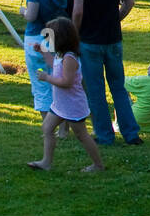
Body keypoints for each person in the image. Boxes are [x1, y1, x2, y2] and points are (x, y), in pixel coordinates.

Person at [69, 0, 141, 147]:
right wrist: (116, 19)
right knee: (118, 87)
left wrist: (74, 34)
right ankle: (131, 133)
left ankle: (105, 135)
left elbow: (78, 11)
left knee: (96, 90)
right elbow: (130, 1)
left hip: (90, 40)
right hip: (113, 38)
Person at [28, 16, 105, 172]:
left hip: (73, 105)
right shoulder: (60, 55)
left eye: (50, 38)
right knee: (47, 128)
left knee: (81, 135)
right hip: (60, 105)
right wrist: (43, 52)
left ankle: (98, 165)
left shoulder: (69, 58)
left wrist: (47, 77)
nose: (48, 41)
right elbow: (53, 64)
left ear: (61, 39)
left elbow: (66, 82)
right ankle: (46, 162)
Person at [23, 0, 72, 118]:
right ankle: (64, 127)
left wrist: (22, 11)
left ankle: (48, 125)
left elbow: (32, 15)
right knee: (57, 76)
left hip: (37, 34)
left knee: (40, 83)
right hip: (57, 35)